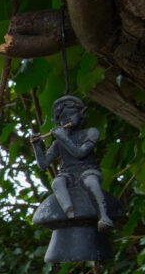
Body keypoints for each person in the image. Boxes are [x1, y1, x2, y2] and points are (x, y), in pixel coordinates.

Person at [31, 95, 113, 230]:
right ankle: (70, 215)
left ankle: (103, 216)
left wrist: (63, 138)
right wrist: (37, 146)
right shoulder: (59, 142)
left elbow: (80, 153)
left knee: (91, 182)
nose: (66, 120)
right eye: (62, 118)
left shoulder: (91, 132)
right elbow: (43, 164)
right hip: (68, 172)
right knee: (57, 182)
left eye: (71, 115)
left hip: (87, 170)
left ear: (82, 114)